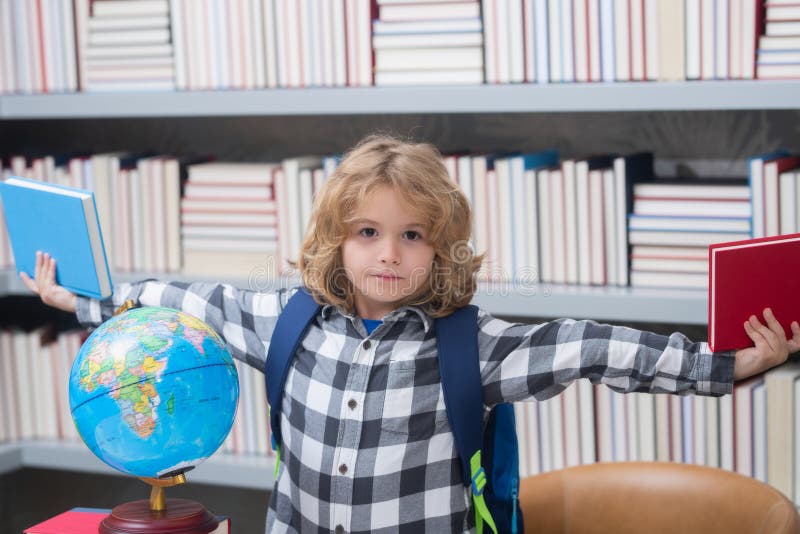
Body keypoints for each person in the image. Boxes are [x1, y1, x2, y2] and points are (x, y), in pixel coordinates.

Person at [21, 135, 800, 533]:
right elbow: (178, 303)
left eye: (412, 235)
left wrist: (724, 365)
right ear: (336, 238)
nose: (388, 253)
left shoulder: (473, 345)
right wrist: (83, 297)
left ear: (441, 248)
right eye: (367, 231)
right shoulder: (283, 319)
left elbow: (593, 347)